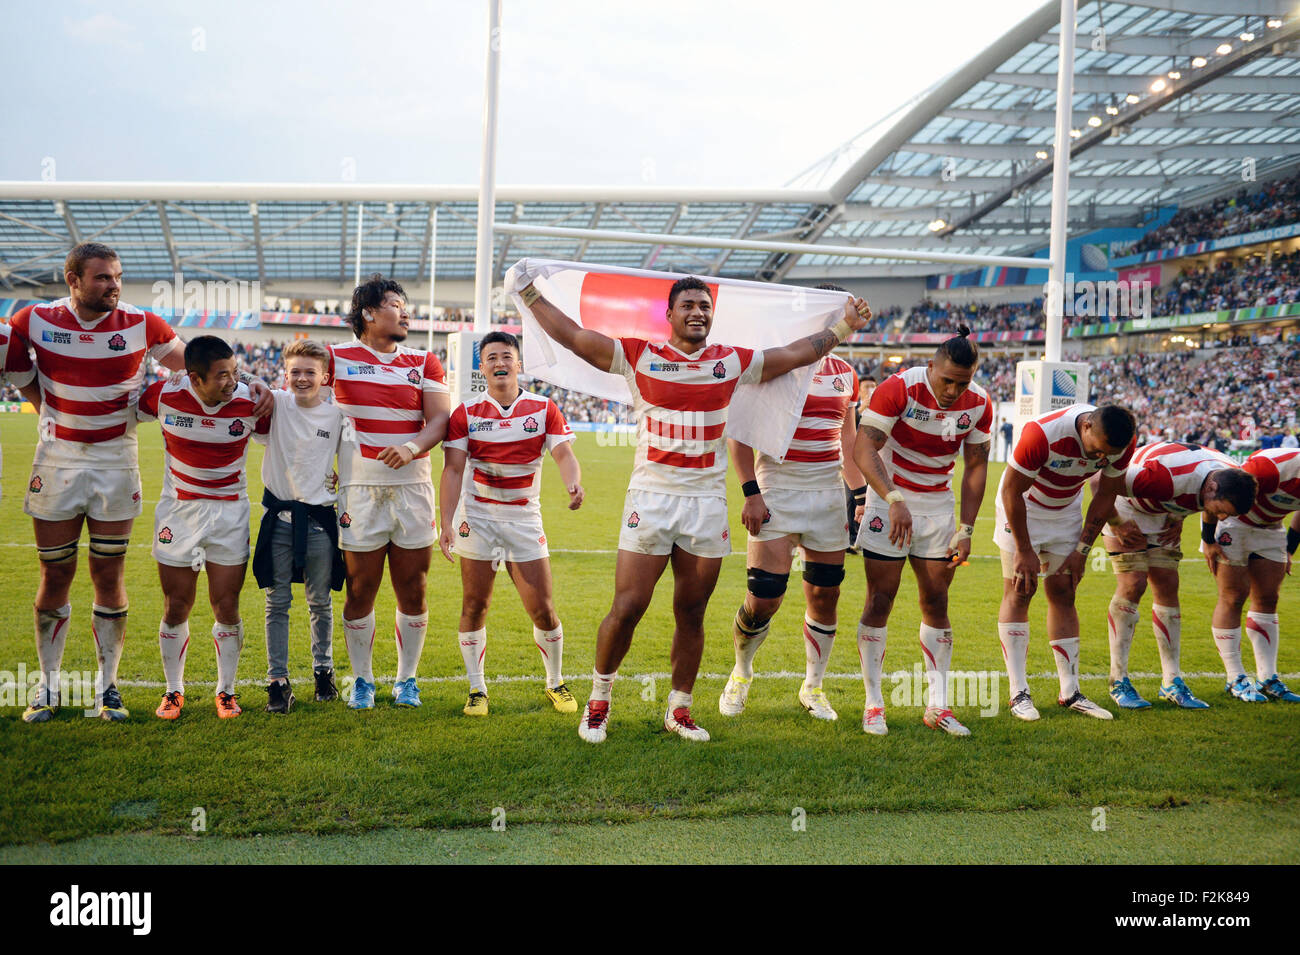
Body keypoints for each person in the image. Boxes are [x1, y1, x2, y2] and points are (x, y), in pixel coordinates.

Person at [513, 264, 871, 743]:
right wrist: (529, 294)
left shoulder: (731, 361)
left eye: (705, 306)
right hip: (653, 499)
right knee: (629, 605)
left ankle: (679, 709)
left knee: (692, 611)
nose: (698, 312)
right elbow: (577, 337)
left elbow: (794, 353)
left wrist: (843, 328)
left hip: (705, 502)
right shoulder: (638, 355)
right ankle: (599, 703)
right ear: (670, 314)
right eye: (689, 305)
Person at [16, 243, 270, 724]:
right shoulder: (34, 319)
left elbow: (195, 365)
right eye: (101, 278)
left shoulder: (143, 323)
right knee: (54, 575)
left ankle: (107, 689)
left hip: (117, 462)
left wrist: (253, 381)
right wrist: (48, 410)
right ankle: (47, 687)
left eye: (117, 276)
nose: (114, 285)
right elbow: (18, 372)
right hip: (56, 461)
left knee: (108, 576)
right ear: (72, 279)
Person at [720, 291, 866, 723]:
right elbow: (740, 433)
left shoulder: (845, 373)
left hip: (825, 492)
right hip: (777, 488)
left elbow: (848, 437)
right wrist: (751, 492)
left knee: (825, 594)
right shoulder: (774, 364)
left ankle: (813, 687)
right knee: (764, 597)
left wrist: (857, 494)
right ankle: (741, 673)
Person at [848, 329, 993, 736]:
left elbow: (977, 467)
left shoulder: (980, 403)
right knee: (880, 598)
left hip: (937, 509)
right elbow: (863, 448)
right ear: (931, 367)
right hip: (887, 499)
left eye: (962, 382)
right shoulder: (899, 388)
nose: (952, 390)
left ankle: (937, 706)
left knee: (936, 599)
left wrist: (966, 528)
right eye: (946, 379)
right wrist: (893, 499)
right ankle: (874, 703)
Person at [438, 331, 584, 716]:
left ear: (518, 363)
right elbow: (453, 470)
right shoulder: (466, 413)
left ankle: (555, 682)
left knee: (543, 609)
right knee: (474, 604)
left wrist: (573, 481)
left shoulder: (543, 408)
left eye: (506, 356)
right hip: (479, 519)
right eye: (491, 358)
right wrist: (447, 522)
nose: (500, 362)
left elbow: (564, 453)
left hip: (523, 518)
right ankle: (476, 689)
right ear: (482, 367)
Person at [328, 274, 449, 710]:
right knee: (361, 589)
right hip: (360, 490)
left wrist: (413, 446)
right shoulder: (335, 357)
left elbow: (440, 420)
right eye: (397, 304)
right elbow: (306, 406)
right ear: (369, 312)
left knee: (413, 588)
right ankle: (362, 681)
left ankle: (406, 680)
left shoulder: (424, 361)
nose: (406, 312)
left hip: (413, 488)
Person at [137, 337, 268, 719]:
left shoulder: (252, 401)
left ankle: (225, 691)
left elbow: (290, 437)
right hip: (178, 514)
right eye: (222, 376)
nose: (232, 382)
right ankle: (173, 691)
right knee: (176, 605)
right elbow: (120, 419)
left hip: (230, 515)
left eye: (235, 372)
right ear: (194, 378)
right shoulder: (162, 396)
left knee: (226, 605)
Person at [995, 403, 1138, 722]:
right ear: (1086, 427)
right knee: (1020, 590)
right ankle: (1018, 691)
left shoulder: (1122, 441)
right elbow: (1011, 491)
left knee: (1064, 592)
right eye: (1098, 452)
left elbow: (1105, 494)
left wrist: (1083, 550)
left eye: (1108, 455)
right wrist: (1024, 549)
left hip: (1065, 511)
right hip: (1022, 508)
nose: (1102, 460)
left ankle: (1070, 691)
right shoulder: (1042, 434)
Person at [1101, 441, 1257, 709]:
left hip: (1164, 510)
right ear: (1210, 488)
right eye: (1220, 510)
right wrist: (1118, 524)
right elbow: (1101, 483)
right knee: (1133, 584)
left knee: (1168, 584)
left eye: (1226, 515)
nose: (1220, 516)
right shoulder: (1165, 475)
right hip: (1126, 506)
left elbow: (1207, 503)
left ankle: (1171, 681)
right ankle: (1118, 680)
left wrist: (1185, 519)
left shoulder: (1232, 477)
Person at [250, 340, 346, 714]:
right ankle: (278, 680)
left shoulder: (337, 415)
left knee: (320, 602)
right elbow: (239, 381)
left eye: (310, 372)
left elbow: (348, 461)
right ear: (284, 373)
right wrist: (251, 378)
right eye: (295, 372)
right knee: (277, 602)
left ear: (325, 377)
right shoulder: (276, 403)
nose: (302, 378)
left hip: (320, 520)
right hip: (280, 520)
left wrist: (334, 477)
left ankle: (323, 671)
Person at [1204, 446, 1300, 703]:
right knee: (1233, 596)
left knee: (1269, 598)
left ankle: (1268, 678)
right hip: (1235, 525)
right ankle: (1235, 677)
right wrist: (1207, 538)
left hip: (1272, 529)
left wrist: (1290, 547)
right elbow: (1216, 490)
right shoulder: (1269, 466)